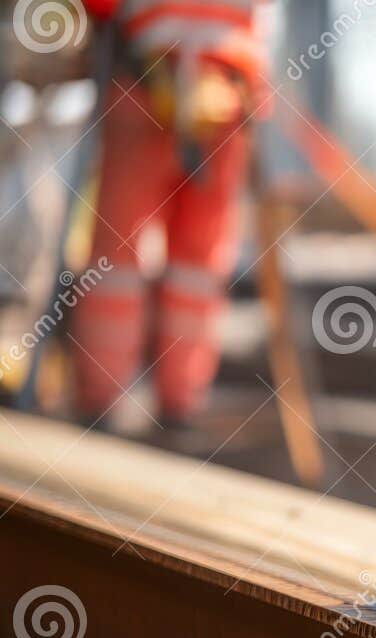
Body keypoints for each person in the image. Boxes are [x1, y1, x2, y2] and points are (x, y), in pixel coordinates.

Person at [72, 0, 263, 425]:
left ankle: (102, 399)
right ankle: (181, 401)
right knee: (196, 259)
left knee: (118, 254)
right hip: (220, 85)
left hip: (151, 81)